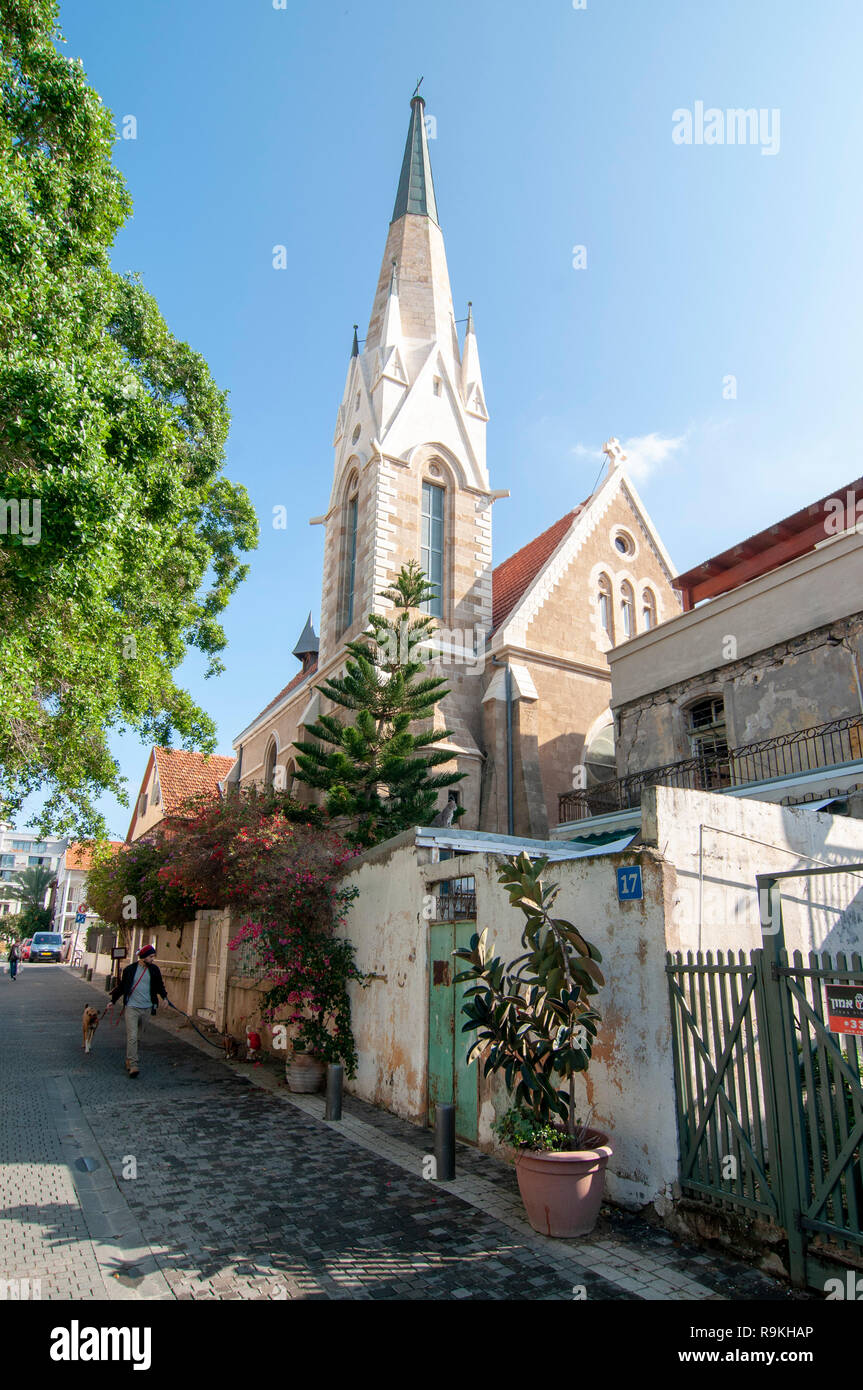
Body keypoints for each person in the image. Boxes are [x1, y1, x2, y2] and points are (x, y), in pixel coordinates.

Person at [109, 944, 167, 1078]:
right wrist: (112, 1001)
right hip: (132, 1007)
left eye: (153, 956)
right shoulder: (130, 970)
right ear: (143, 957)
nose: (153, 959)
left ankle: (129, 1058)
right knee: (132, 1037)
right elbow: (123, 986)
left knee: (138, 1038)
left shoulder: (154, 970)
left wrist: (164, 997)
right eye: (151, 956)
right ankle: (134, 1065)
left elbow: (159, 985)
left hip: (147, 1008)